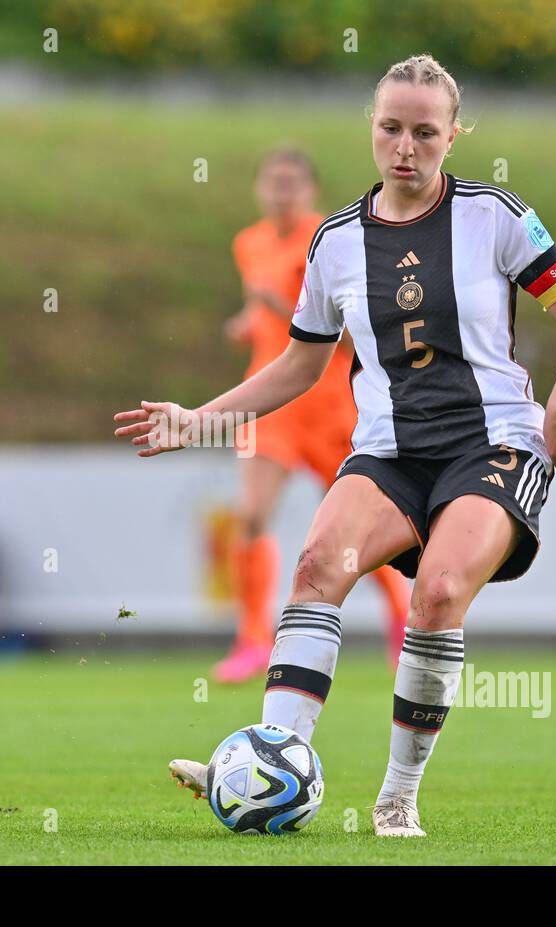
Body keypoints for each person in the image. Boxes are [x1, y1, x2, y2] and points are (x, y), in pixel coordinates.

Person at [113, 54, 556, 837]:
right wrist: (202, 417)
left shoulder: (497, 216)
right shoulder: (336, 241)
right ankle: (274, 764)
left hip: (496, 445)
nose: (404, 146)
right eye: (389, 128)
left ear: (454, 135)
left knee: (439, 594)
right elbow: (301, 363)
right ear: (371, 129)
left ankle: (397, 797)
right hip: (390, 453)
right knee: (314, 567)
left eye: (424, 132)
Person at [214, 146, 411, 683]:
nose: (281, 192)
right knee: (251, 515)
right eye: (272, 181)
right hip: (271, 404)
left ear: (310, 191)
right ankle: (253, 639)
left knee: (357, 532)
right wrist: (250, 321)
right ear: (259, 187)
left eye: (291, 183)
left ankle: (402, 617)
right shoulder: (249, 243)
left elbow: (354, 335)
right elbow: (265, 311)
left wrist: (279, 310)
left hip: (328, 405)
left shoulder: (331, 240)